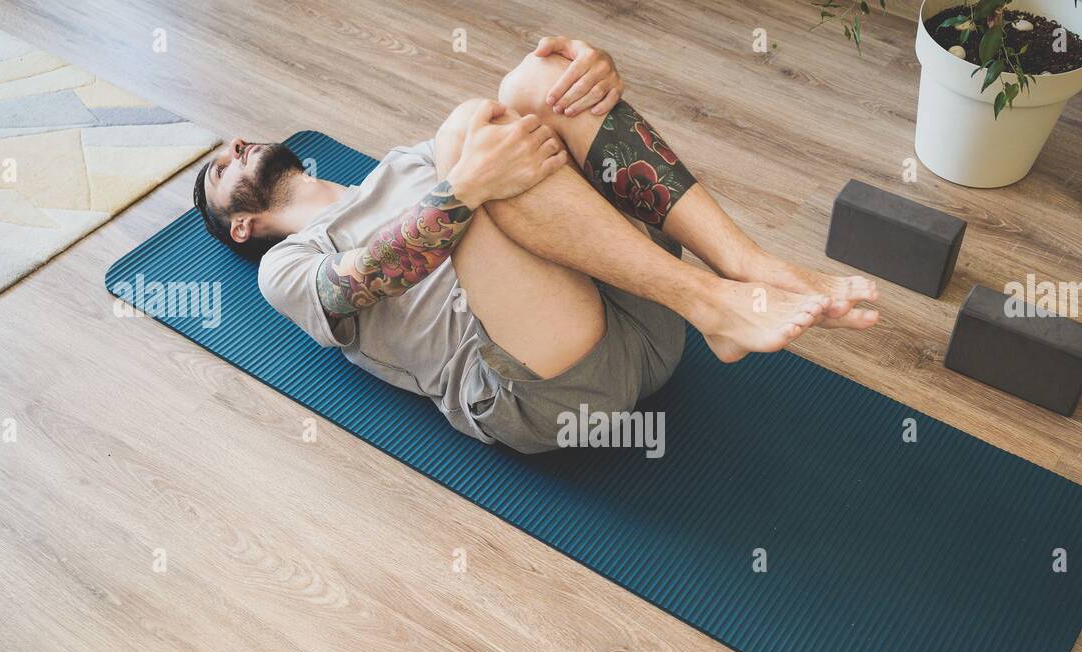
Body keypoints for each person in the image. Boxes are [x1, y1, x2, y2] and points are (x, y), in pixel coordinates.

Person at [193, 37, 878, 453]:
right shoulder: (284, 267)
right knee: (471, 131)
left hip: (633, 309)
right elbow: (357, 285)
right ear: (240, 226)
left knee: (530, 80)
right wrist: (462, 187)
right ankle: (712, 299)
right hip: (549, 385)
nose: (235, 149)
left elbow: (539, 130)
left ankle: (742, 267)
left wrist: (588, 82)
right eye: (221, 171)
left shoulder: (400, 163)